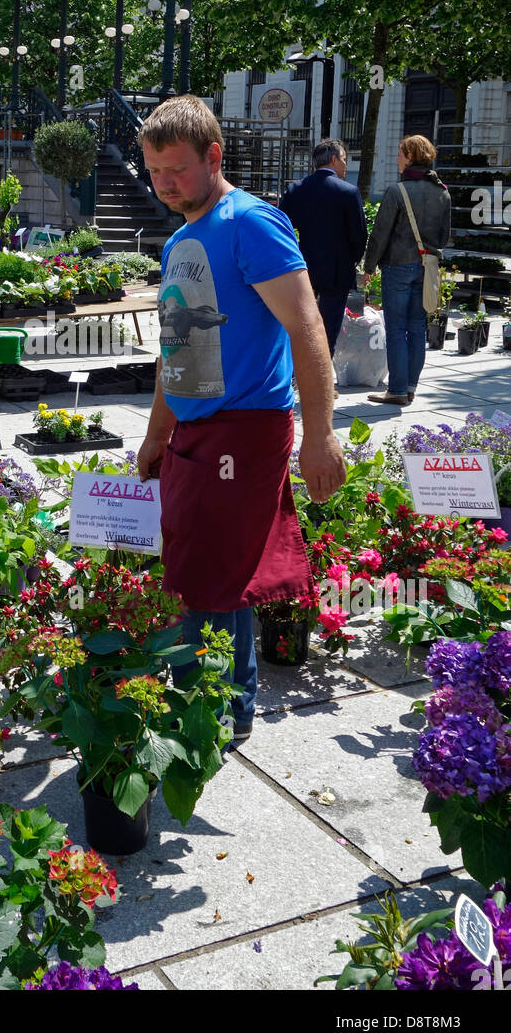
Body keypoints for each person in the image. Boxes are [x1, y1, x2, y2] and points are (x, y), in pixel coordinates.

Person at [136, 96, 346, 742]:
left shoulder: (252, 224)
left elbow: (308, 327)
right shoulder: (180, 240)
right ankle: (223, 703)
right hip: (199, 431)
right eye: (154, 172)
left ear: (214, 157)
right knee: (208, 569)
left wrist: (321, 433)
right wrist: (155, 436)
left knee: (211, 574)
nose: (165, 185)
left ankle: (215, 713)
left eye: (176, 170)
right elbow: (178, 350)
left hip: (247, 426)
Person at [362, 135, 451, 407]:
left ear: (411, 157)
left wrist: (368, 266)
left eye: (401, 154)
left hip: (398, 267)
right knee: (417, 327)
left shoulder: (396, 191)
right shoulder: (442, 192)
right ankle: (410, 387)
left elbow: (380, 234)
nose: (397, 159)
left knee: (397, 328)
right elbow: (444, 237)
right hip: (427, 268)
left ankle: (397, 389)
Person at [280, 139, 367, 360]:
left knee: (300, 323)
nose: (346, 165)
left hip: (301, 268)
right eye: (344, 159)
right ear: (333, 159)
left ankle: (296, 373)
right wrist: (350, 260)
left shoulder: (295, 190)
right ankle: (322, 379)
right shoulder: (348, 192)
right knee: (329, 326)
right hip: (337, 269)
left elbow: (281, 231)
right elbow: (359, 236)